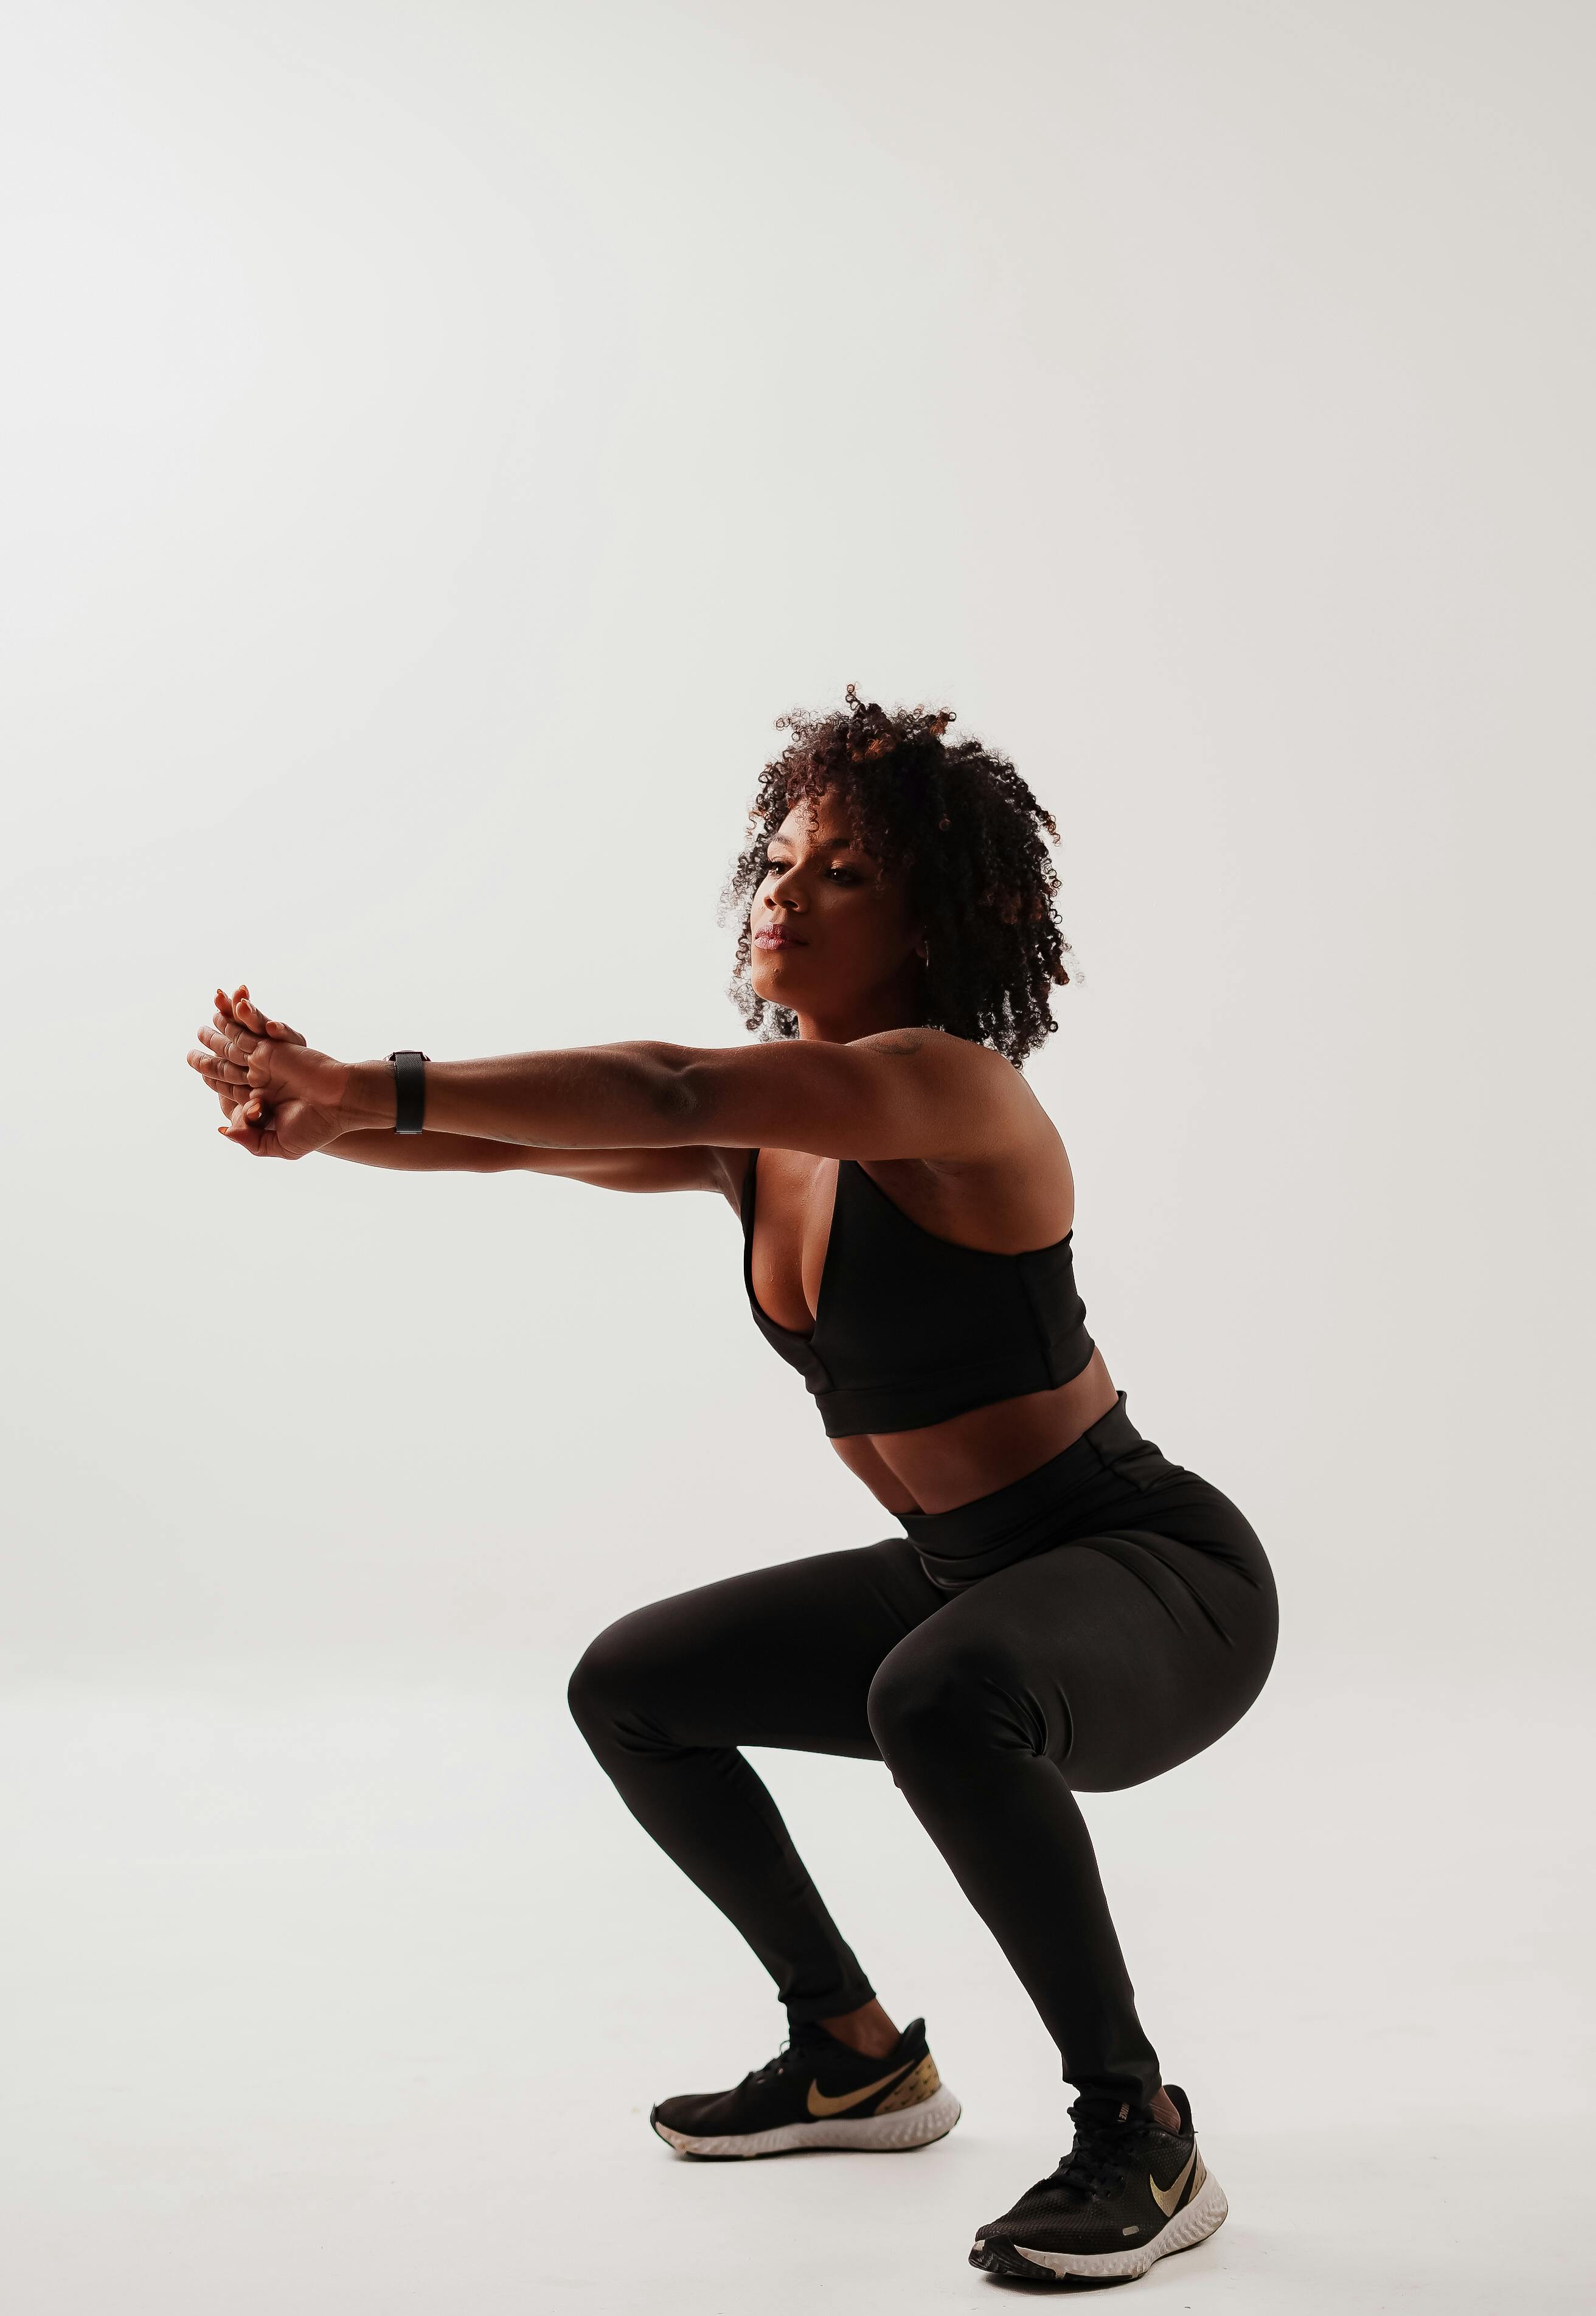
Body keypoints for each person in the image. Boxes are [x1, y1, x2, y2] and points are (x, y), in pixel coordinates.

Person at [186, 687, 1279, 2286]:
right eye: (780, 858)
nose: (786, 891)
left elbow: (668, 1086)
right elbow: (521, 1143)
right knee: (637, 1685)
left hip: (1152, 1579)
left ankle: (1141, 2130)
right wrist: (329, 1121)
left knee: (939, 1697)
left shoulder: (950, 1093)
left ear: (935, 917)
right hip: (967, 1574)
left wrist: (371, 1079)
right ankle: (852, 2055)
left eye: (846, 871)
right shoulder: (772, 1135)